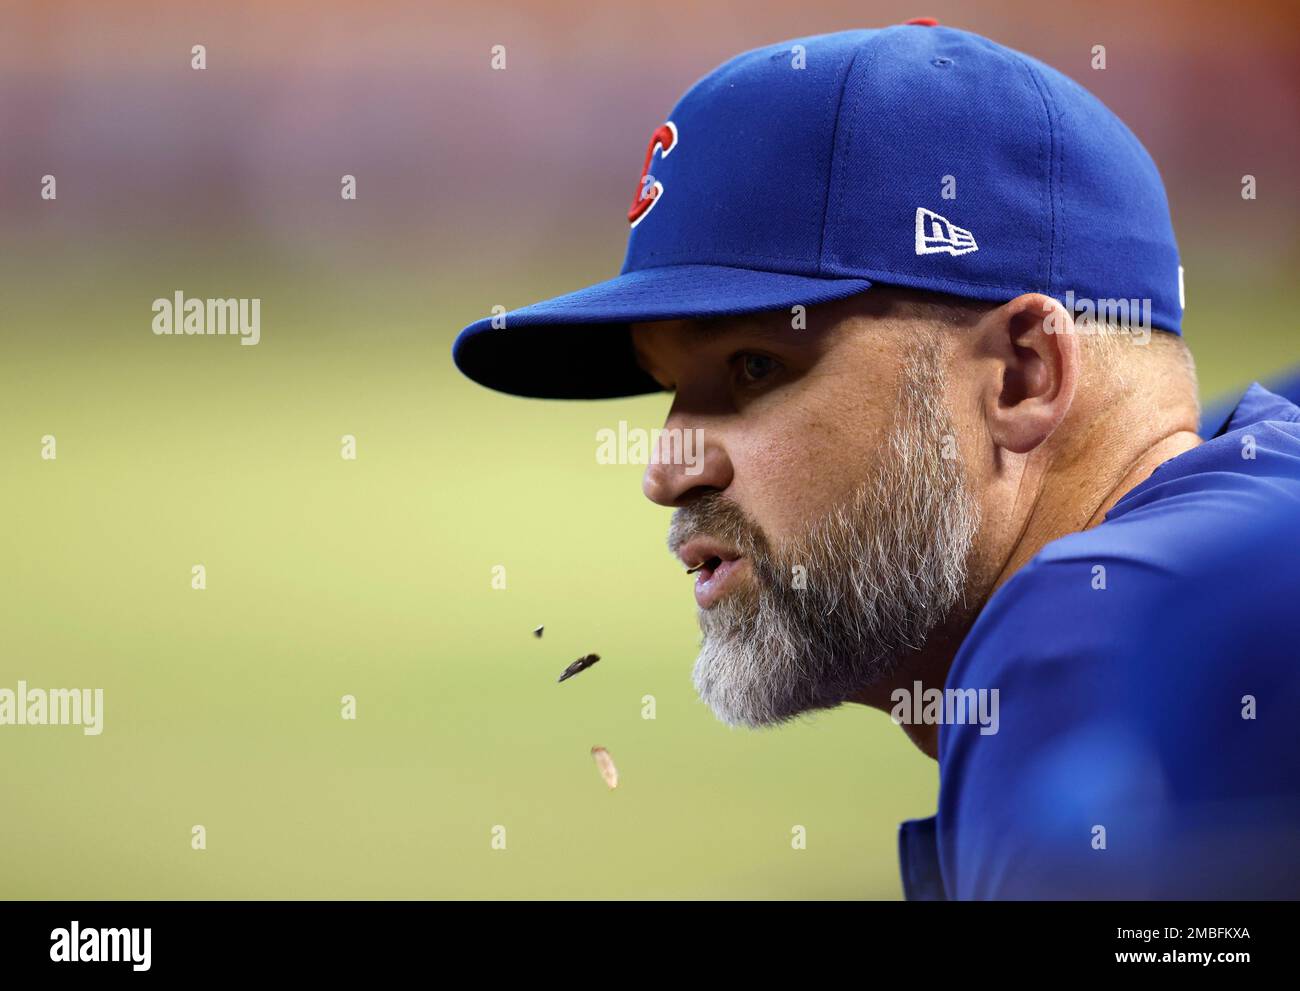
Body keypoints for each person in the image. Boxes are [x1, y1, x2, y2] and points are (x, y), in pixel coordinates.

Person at [452, 22, 1300, 899]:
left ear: (1022, 376)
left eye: (753, 366)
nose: (665, 471)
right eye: (666, 387)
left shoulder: (1079, 645)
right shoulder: (1255, 471)